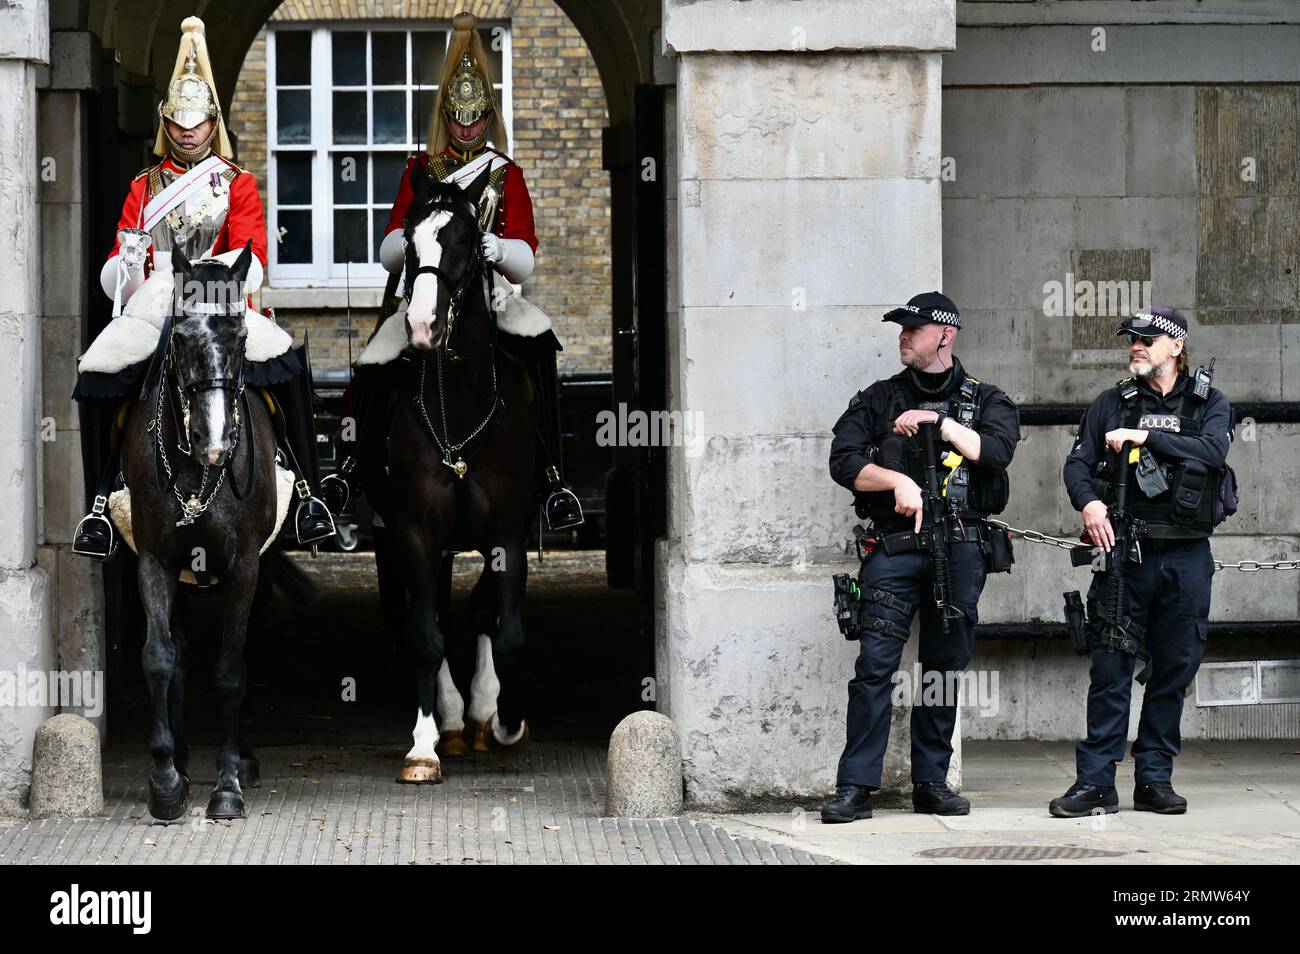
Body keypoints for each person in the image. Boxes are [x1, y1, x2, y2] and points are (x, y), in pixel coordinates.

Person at [72, 15, 335, 559]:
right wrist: (128, 261)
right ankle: (99, 500)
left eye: (197, 124)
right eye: (179, 124)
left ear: (212, 123)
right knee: (98, 370)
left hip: (219, 297)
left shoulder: (235, 183)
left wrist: (220, 275)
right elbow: (119, 268)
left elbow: (251, 255)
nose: (188, 133)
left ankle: (306, 490)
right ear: (166, 124)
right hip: (158, 299)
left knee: (285, 363)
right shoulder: (144, 186)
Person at [323, 11, 582, 531]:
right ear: (446, 115)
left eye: (475, 118)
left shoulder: (506, 174)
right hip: (428, 291)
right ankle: (350, 467)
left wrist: (494, 246)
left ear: (488, 116)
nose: (466, 128)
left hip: (492, 298)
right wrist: (414, 247)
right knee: (377, 361)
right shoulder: (419, 171)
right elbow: (390, 245)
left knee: (539, 349)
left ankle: (553, 475)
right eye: (457, 118)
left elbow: (527, 252)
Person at [822, 292, 1020, 823]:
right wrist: (897, 480)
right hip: (894, 549)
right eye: (901, 329)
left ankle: (931, 782)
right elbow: (843, 461)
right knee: (875, 669)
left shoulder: (988, 400)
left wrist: (937, 421)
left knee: (943, 669)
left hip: (959, 549)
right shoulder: (878, 399)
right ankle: (855, 788)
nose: (903, 337)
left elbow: (997, 453)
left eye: (913, 329)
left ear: (945, 336)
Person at [1051, 306, 1231, 817]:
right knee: (1110, 666)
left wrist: (1145, 437)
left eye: (1147, 339)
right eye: (1131, 339)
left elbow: (1213, 452)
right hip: (1124, 555)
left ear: (1176, 346)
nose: (1135, 346)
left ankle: (1154, 779)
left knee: (1174, 667)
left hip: (1186, 554)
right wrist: (1088, 503)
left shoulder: (1210, 403)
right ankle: (1095, 783)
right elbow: (1078, 465)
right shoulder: (1111, 403)